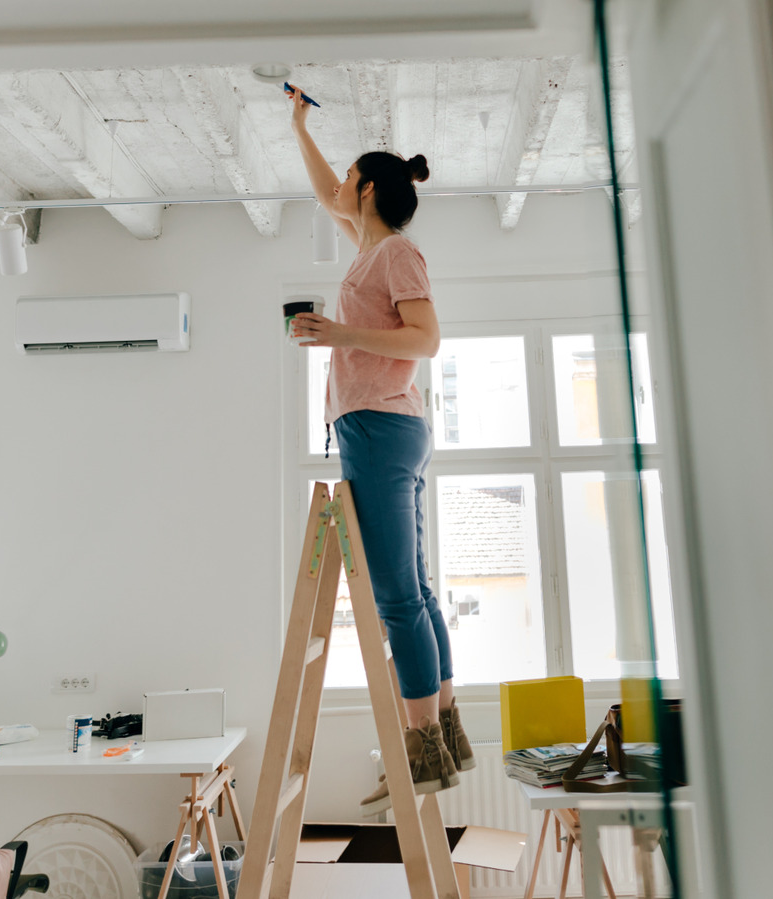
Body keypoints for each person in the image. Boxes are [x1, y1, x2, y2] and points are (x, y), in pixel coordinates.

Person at [285, 84, 474, 814]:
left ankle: (419, 751)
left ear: (366, 189)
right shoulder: (369, 247)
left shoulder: (396, 254)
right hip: (383, 426)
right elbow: (324, 186)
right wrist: (298, 125)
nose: (339, 191)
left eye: (349, 183)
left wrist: (338, 335)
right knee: (415, 592)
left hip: (380, 426)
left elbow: (427, 340)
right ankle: (443, 735)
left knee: (399, 597)